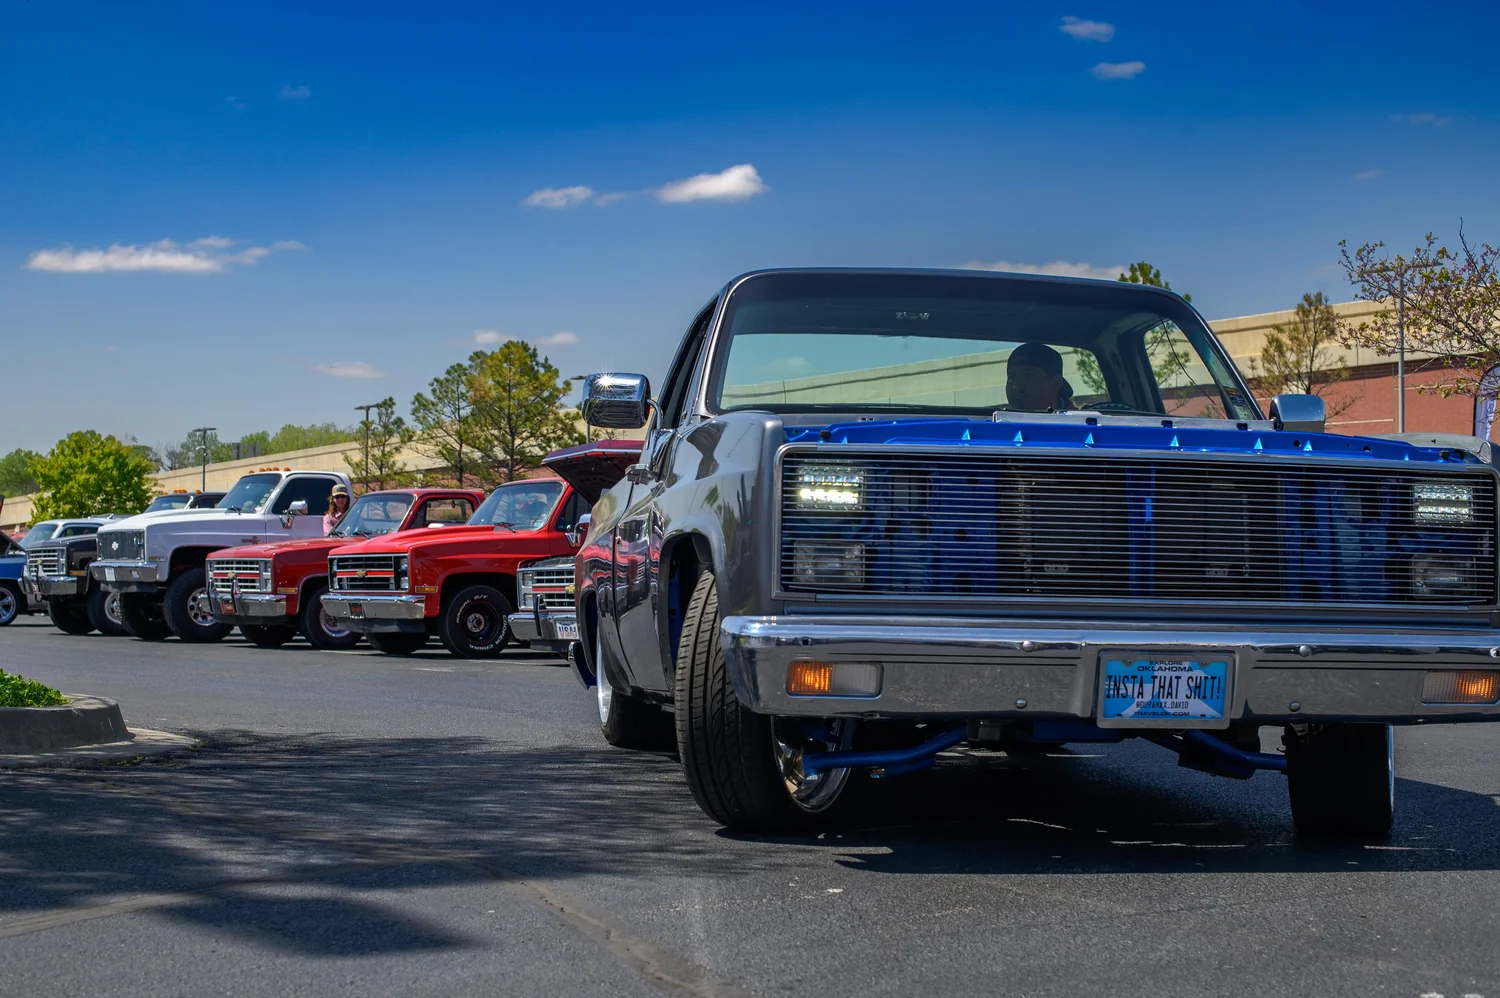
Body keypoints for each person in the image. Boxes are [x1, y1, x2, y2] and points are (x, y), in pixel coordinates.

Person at [1005, 341, 1075, 411]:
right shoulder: (998, 420)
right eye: (1011, 377)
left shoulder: (1077, 420)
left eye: (1028, 375)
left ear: (1055, 383)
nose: (1016, 386)